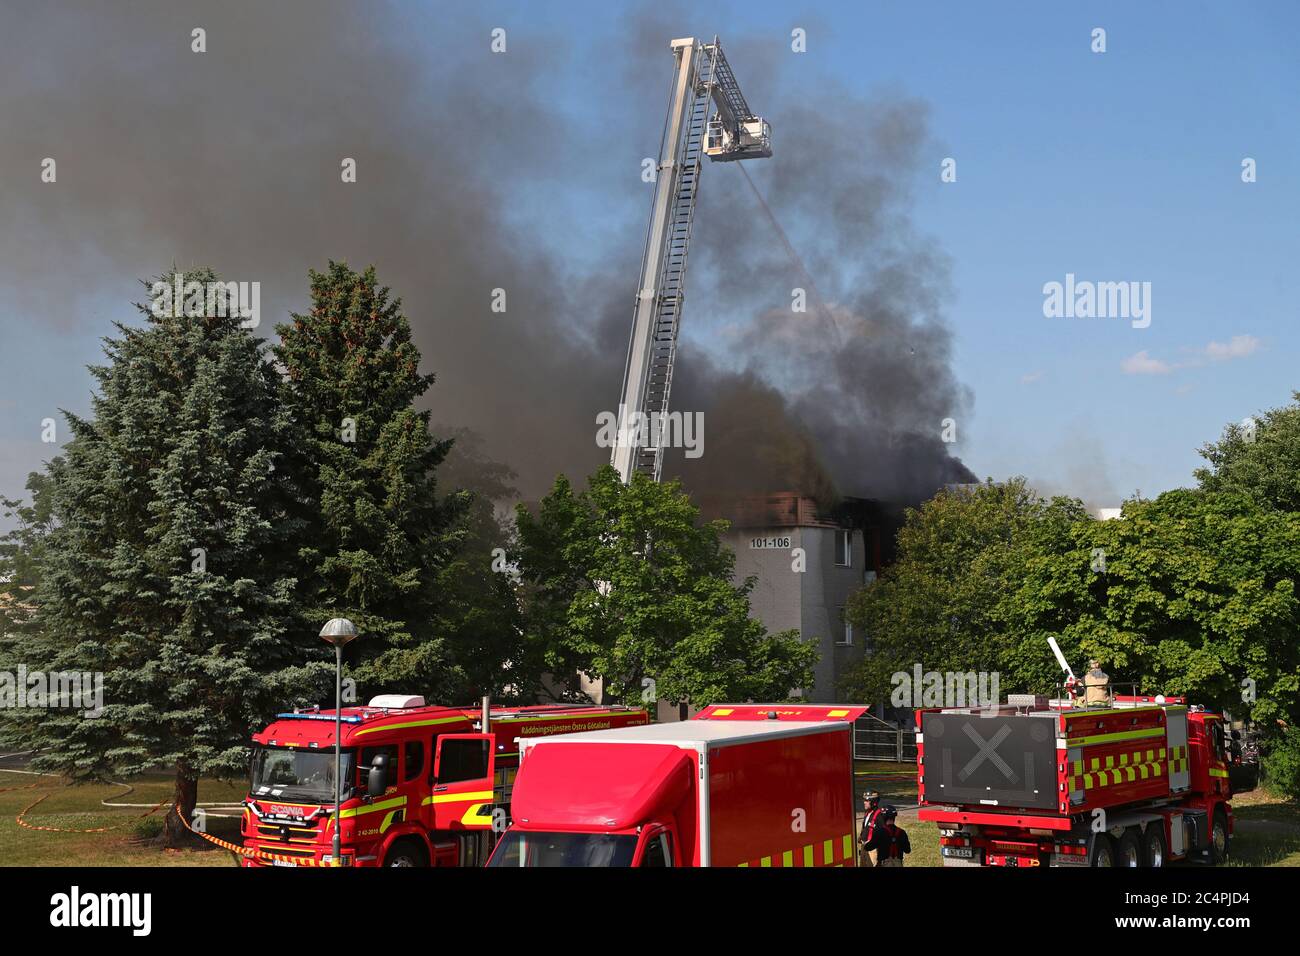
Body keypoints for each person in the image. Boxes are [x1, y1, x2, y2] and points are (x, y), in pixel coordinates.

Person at [857, 791, 883, 868]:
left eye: (867, 800)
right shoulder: (867, 813)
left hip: (873, 849)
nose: (864, 802)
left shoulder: (879, 816)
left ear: (874, 802)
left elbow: (883, 834)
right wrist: (861, 836)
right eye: (864, 800)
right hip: (864, 846)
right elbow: (865, 827)